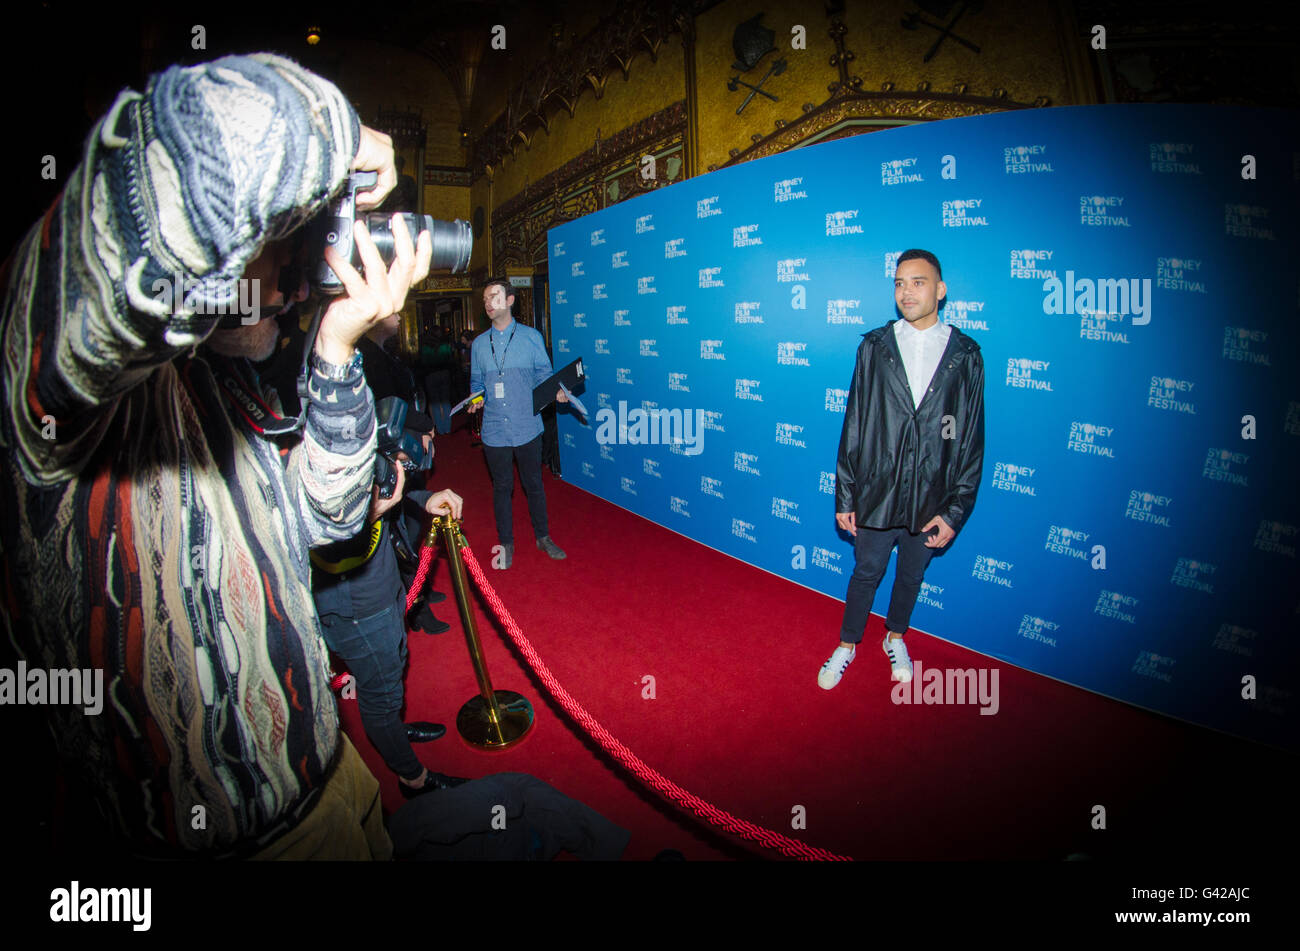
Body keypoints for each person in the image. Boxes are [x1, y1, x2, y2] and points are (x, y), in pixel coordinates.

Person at [0, 53, 439, 858]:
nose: (299, 276)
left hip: (330, 772)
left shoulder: (215, 383)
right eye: (280, 244)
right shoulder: (62, 389)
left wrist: (337, 356)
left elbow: (328, 519)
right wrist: (340, 136)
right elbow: (194, 159)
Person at [306, 310, 468, 799]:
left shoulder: (355, 445)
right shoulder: (312, 462)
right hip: (354, 606)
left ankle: (395, 724)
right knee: (379, 692)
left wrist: (422, 499)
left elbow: (387, 494)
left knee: (393, 668)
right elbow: (326, 533)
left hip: (382, 585)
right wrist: (372, 512)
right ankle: (412, 778)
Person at [818, 249, 985, 689]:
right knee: (866, 572)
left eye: (918, 281)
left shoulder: (965, 355)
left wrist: (956, 510)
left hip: (933, 493)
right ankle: (848, 644)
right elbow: (855, 421)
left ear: (940, 289)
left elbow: (967, 436)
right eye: (899, 283)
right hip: (878, 490)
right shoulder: (875, 347)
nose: (906, 291)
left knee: (912, 574)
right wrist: (847, 494)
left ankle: (895, 637)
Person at [467, 280, 568, 568]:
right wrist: (476, 399)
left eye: (495, 296)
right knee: (502, 487)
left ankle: (543, 537)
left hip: (527, 425)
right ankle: (506, 543)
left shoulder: (531, 337)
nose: (489, 302)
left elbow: (544, 376)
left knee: (534, 484)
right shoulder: (478, 345)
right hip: (495, 429)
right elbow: (476, 383)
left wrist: (556, 391)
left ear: (510, 300)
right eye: (485, 298)